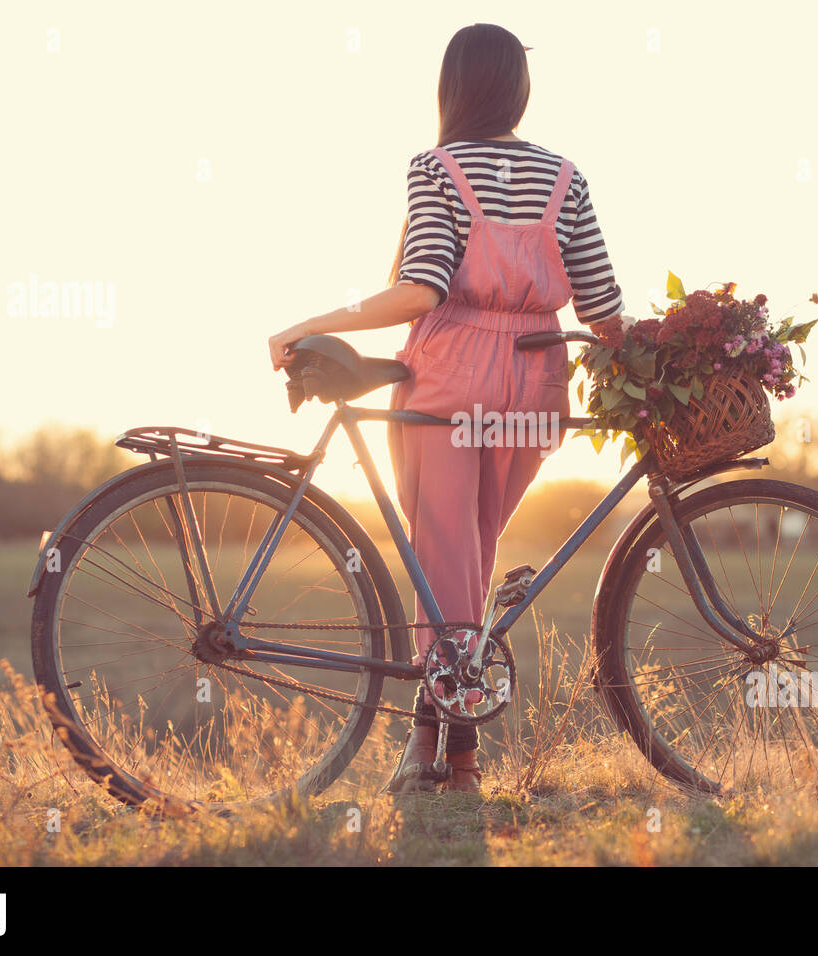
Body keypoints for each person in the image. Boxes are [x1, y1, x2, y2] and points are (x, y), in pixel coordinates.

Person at [268, 22, 625, 795]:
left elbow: (421, 288)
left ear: (452, 86)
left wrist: (312, 322)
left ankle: (456, 757)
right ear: (519, 88)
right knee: (466, 557)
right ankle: (431, 747)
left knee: (446, 558)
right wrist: (665, 357)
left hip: (452, 373)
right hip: (535, 382)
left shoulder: (438, 167)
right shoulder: (566, 176)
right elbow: (601, 305)